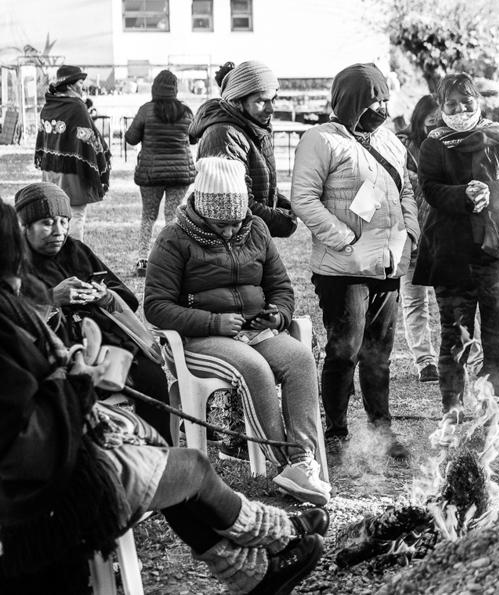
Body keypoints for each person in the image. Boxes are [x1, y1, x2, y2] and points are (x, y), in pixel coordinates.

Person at [0, 200, 327, 595]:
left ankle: (255, 566)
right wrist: (80, 378)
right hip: (47, 493)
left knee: (165, 449)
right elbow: (28, 433)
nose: (55, 231)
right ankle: (277, 536)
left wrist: (276, 314)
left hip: (46, 473)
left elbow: (280, 288)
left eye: (62, 221)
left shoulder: (19, 303)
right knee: (188, 466)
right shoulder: (8, 319)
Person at [145, 157, 331, 506]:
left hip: (255, 333)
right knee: (255, 368)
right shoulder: (174, 238)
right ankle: (285, 462)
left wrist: (278, 315)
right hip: (199, 340)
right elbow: (156, 306)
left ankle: (304, 461)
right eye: (222, 224)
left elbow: (281, 287)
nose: (230, 231)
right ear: (202, 207)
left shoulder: (256, 228)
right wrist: (212, 322)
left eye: (236, 222)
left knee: (300, 359)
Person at [290, 64, 418, 460]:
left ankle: (382, 428)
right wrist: (345, 239)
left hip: (387, 265)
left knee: (379, 352)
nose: (381, 105)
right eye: (373, 99)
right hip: (342, 269)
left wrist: (410, 232)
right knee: (344, 350)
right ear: (351, 101)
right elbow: (304, 200)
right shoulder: (320, 140)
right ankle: (337, 432)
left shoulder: (390, 139)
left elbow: (407, 188)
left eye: (384, 98)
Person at [413, 73, 499, 412]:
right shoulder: (434, 143)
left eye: (466, 101)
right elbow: (430, 188)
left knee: (498, 336)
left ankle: (493, 409)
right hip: (452, 254)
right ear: (441, 107)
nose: (461, 108)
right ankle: (453, 409)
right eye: (452, 103)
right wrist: (464, 194)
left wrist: (489, 193)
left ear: (477, 101)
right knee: (455, 336)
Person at [18, 182, 172, 443]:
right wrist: (52, 298)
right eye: (46, 222)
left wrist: (102, 295)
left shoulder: (77, 251)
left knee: (152, 377)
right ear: (26, 226)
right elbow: (10, 316)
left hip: (106, 349)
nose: (58, 231)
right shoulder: (14, 260)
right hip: (53, 358)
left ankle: (160, 456)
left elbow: (124, 298)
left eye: (63, 221)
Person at [189, 60, 297, 238]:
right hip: (230, 243)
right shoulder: (224, 135)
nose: (271, 109)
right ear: (237, 102)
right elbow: (233, 202)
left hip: (250, 239)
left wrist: (286, 207)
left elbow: (263, 185)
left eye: (273, 99)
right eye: (261, 101)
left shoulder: (254, 127)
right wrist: (282, 221)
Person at [125, 69, 196, 277]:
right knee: (172, 217)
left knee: (148, 216)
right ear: (175, 89)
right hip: (180, 174)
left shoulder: (146, 110)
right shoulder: (186, 111)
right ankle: (172, 261)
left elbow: (131, 138)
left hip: (151, 174)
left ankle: (143, 260)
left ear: (155, 88)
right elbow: (193, 138)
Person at [35, 64, 111, 242]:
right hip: (73, 172)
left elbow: (43, 140)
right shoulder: (77, 107)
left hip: (51, 171)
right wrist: (101, 155)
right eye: (80, 82)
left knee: (55, 216)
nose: (82, 86)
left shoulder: (48, 106)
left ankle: (57, 257)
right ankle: (73, 258)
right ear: (70, 85)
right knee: (75, 215)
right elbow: (89, 138)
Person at [396, 94, 442, 384]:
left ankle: (461, 355)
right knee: (414, 300)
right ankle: (425, 360)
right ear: (419, 117)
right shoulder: (402, 146)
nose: (435, 125)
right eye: (431, 119)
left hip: (442, 237)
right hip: (410, 236)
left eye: (440, 120)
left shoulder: (450, 146)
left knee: (451, 301)